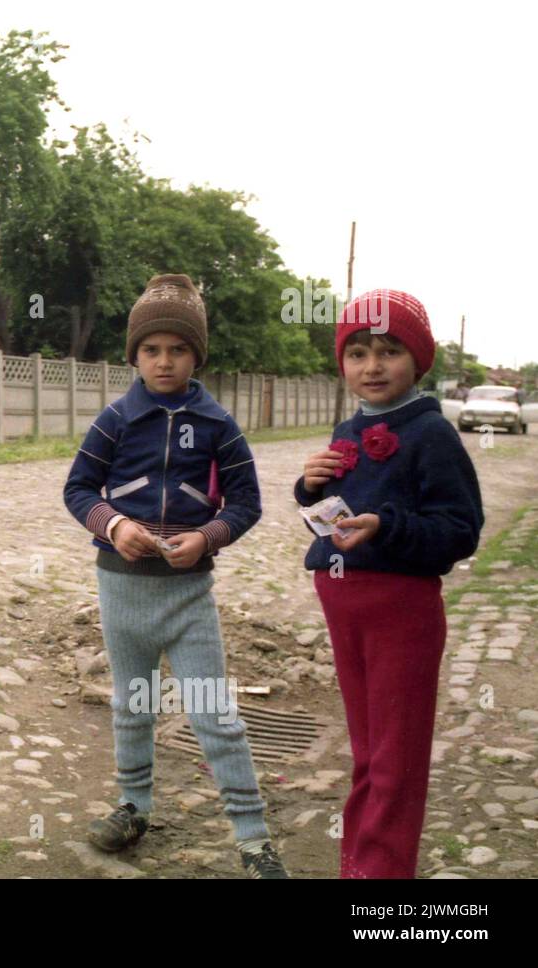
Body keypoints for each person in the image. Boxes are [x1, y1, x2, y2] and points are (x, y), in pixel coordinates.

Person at [63, 273, 286, 878]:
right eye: (152, 349)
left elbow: (247, 503)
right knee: (132, 704)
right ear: (134, 355)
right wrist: (112, 526)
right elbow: (79, 489)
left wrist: (208, 538)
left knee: (215, 713)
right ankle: (133, 806)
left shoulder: (219, 425)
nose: (165, 361)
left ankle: (253, 837)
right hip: (120, 588)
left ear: (197, 355)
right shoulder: (115, 420)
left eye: (179, 349)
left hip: (189, 595)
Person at [295, 289, 484, 878]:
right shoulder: (349, 426)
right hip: (342, 600)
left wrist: (387, 528)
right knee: (368, 751)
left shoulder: (431, 433)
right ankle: (360, 865)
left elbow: (460, 529)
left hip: (400, 608)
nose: (372, 366)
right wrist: (310, 486)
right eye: (357, 353)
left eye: (389, 351)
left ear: (418, 360)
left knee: (396, 759)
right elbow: (337, 506)